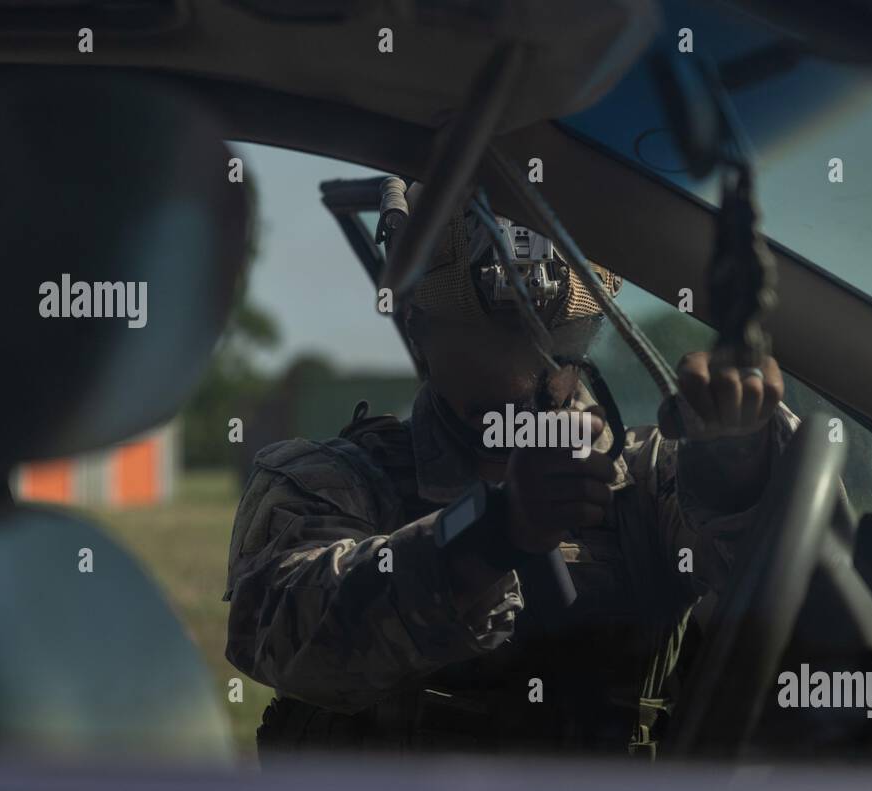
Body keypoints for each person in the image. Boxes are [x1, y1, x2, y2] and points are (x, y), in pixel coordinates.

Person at [224, 203, 797, 758]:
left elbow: (791, 571)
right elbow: (287, 636)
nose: (525, 376)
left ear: (589, 333)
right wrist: (489, 535)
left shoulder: (654, 476)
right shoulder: (328, 480)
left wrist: (738, 466)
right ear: (420, 332)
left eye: (555, 343)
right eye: (486, 339)